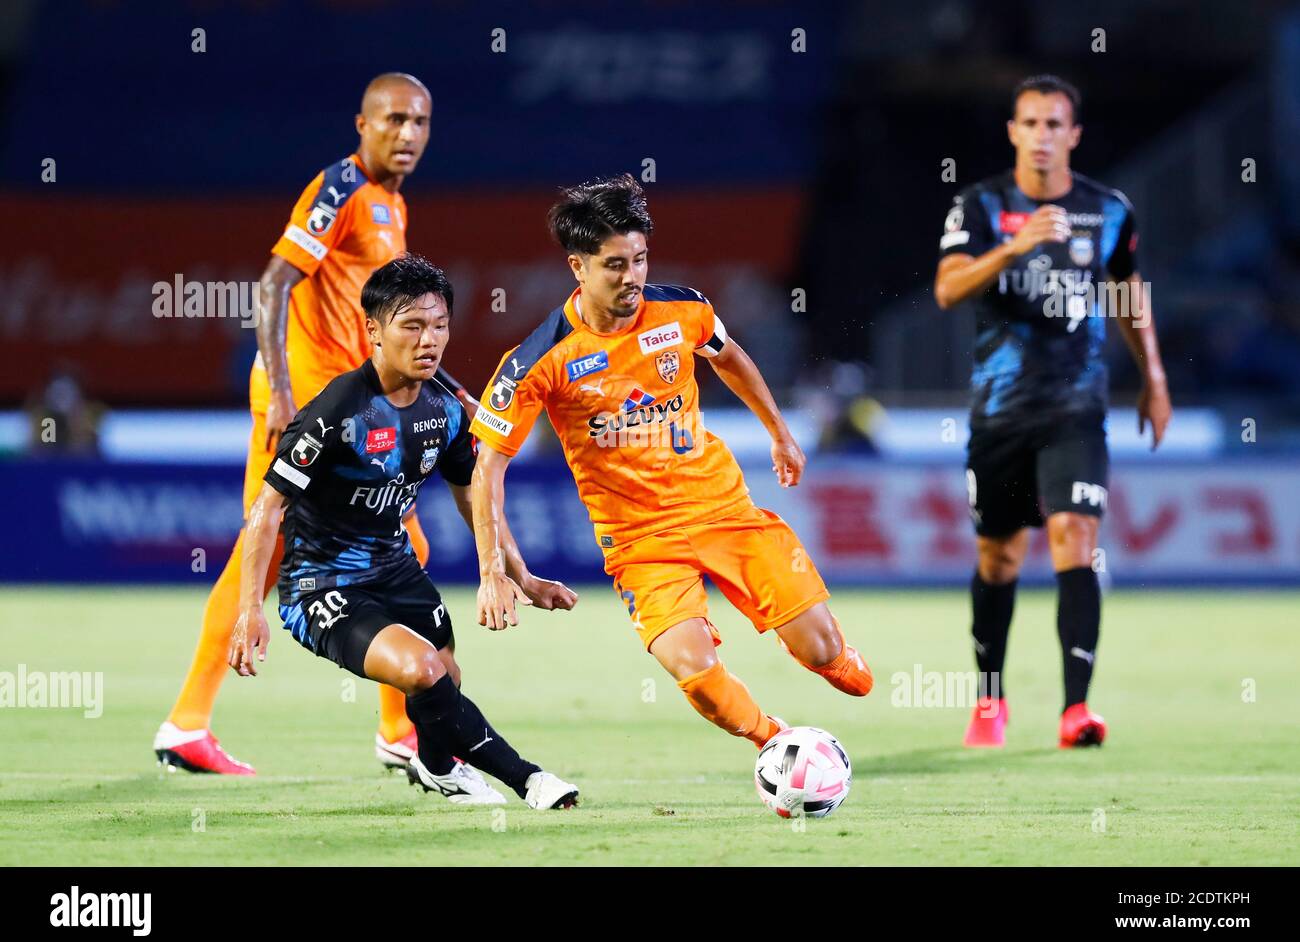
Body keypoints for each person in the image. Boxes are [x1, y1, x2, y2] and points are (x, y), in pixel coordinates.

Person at [469, 174, 873, 750]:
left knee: (832, 660)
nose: (632, 276)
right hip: (640, 541)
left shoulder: (682, 310)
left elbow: (728, 357)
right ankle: (778, 744)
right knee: (693, 670)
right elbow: (489, 467)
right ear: (577, 267)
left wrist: (779, 432)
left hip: (723, 510)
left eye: (639, 259)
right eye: (614, 264)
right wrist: (495, 569)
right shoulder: (538, 359)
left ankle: (817, 648)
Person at [155, 73, 472, 774]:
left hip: (347, 410)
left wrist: (455, 391)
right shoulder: (344, 187)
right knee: (276, 553)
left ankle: (389, 729)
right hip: (305, 405)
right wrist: (282, 398)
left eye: (420, 122)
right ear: (361, 123)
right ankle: (194, 724)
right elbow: (272, 284)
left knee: (384, 544)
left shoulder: (390, 203)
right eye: (393, 120)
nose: (408, 134)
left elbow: (389, 330)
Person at [228, 254, 579, 808]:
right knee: (422, 670)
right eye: (411, 326)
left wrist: (522, 576)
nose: (429, 341)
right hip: (323, 585)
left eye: (439, 326)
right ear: (373, 330)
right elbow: (267, 508)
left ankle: (438, 768)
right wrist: (251, 608)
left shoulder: (444, 409)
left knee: (447, 676)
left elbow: (475, 499)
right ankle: (531, 779)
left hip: (396, 570)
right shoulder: (336, 411)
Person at [933, 75, 1172, 748]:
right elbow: (948, 290)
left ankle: (1076, 710)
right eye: (1029, 123)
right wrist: (1014, 247)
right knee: (1000, 557)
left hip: (1076, 408)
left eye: (1053, 124)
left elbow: (1128, 295)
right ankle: (989, 700)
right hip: (1002, 412)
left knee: (1074, 535)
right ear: (1013, 131)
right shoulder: (979, 206)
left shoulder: (1109, 211)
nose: (1041, 136)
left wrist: (1153, 377)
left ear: (1074, 135)